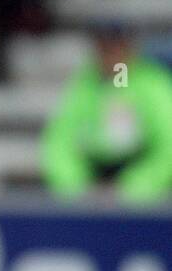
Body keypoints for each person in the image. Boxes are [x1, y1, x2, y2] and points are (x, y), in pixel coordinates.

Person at [42, 22, 172, 204]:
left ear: (130, 48)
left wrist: (133, 189)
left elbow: (168, 148)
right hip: (93, 183)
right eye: (105, 47)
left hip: (143, 194)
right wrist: (76, 188)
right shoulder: (83, 85)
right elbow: (59, 142)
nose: (111, 55)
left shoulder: (154, 85)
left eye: (117, 47)